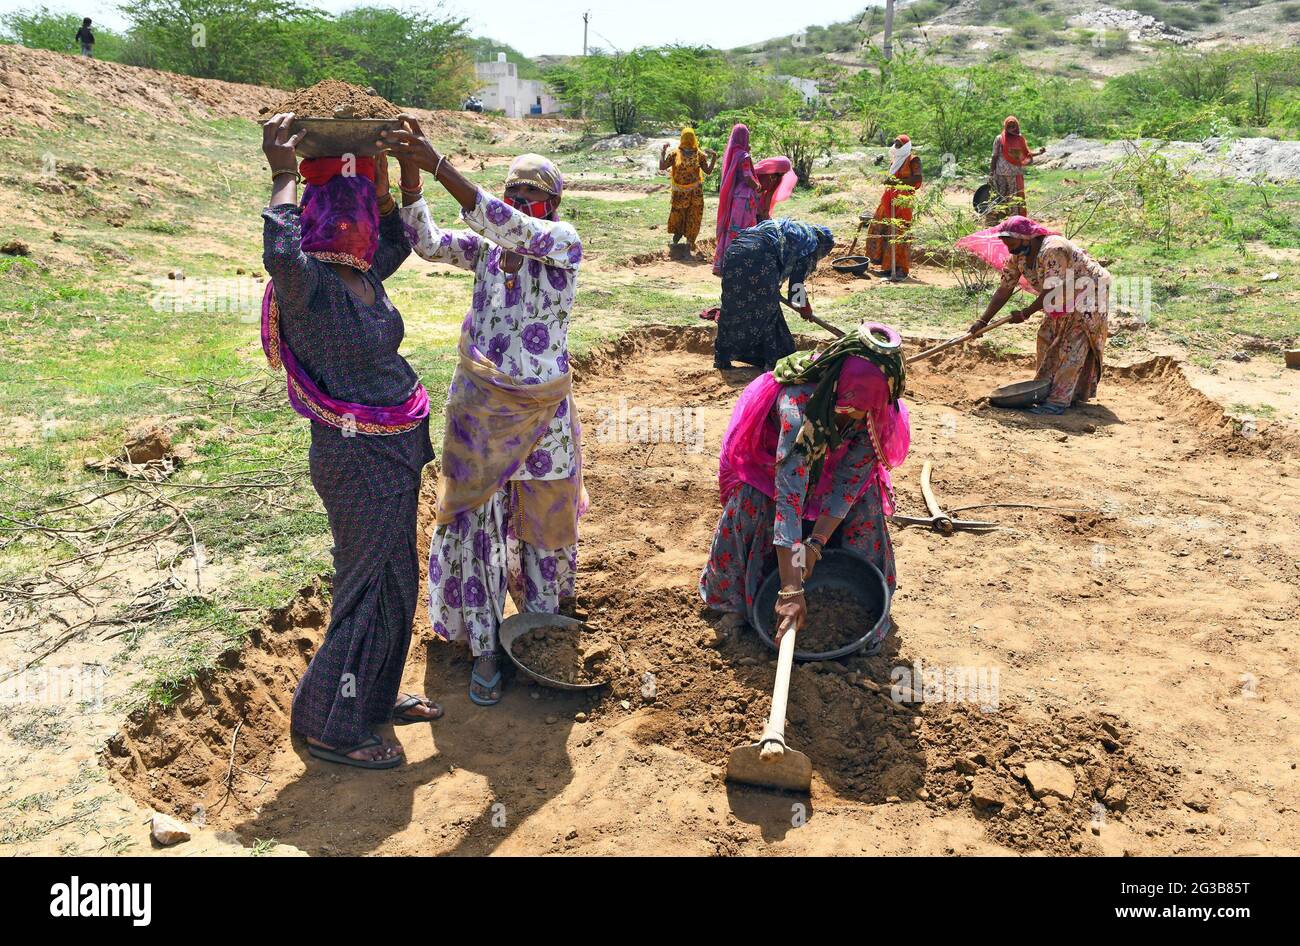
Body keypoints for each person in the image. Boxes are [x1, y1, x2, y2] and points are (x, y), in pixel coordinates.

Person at [379, 117, 585, 707]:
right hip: (481, 407)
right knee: (479, 525)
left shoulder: (562, 244)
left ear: (552, 205)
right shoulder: (488, 254)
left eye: (533, 198)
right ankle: (486, 647)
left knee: (546, 521)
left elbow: (506, 223)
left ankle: (543, 634)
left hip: (544, 412)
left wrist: (441, 162)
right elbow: (427, 242)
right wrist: (413, 177)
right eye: (513, 193)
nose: (521, 205)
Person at [260, 113, 441, 770]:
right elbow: (280, 252)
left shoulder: (362, 275)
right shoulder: (308, 287)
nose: (370, 226)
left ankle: (370, 695)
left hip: (389, 451)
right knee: (368, 580)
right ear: (334, 221)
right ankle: (332, 723)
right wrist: (283, 175)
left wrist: (402, 166)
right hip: (354, 458)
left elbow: (399, 235)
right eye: (360, 212)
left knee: (396, 576)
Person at [700, 325, 910, 649]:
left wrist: (814, 545)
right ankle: (733, 602)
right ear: (842, 389)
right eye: (853, 408)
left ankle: (868, 605)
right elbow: (789, 496)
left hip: (831, 471)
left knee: (865, 504)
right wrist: (791, 588)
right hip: (772, 465)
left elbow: (847, 486)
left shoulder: (877, 415)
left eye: (867, 411)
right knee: (753, 502)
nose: (858, 417)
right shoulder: (798, 407)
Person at [961, 215, 1111, 416]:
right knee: (1047, 337)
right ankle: (1047, 390)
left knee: (1072, 343)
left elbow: (1052, 290)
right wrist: (983, 320)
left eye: (1011, 242)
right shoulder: (1018, 255)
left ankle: (1058, 401)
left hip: (1088, 291)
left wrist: (1026, 313)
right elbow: (1005, 288)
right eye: (1005, 243)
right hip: (1062, 295)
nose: (1008, 247)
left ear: (1027, 238)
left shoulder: (1053, 250)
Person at [714, 218, 834, 371]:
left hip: (735, 250)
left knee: (732, 307)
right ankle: (773, 359)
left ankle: (722, 357)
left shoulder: (796, 232)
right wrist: (805, 308)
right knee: (767, 312)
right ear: (823, 246)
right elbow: (796, 286)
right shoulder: (810, 244)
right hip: (759, 256)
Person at [863, 134, 922, 280]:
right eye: (895, 144)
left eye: (899, 145)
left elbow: (917, 178)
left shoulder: (913, 159)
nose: (896, 147)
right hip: (889, 198)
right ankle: (886, 267)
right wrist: (889, 182)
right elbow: (892, 177)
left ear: (906, 146)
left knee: (900, 232)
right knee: (881, 227)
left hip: (903, 201)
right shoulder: (894, 160)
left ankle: (900, 269)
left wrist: (898, 183)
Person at [659, 127, 716, 251]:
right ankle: (680, 236)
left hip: (691, 193)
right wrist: (714, 158)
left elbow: (662, 166)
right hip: (689, 193)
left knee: (690, 215)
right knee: (686, 215)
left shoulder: (696, 154)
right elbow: (708, 171)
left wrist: (663, 152)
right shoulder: (678, 154)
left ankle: (688, 240)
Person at [988, 116, 1045, 219]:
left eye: (1013, 126)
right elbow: (994, 156)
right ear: (1005, 126)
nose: (1011, 128)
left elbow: (1026, 154)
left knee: (1014, 197)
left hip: (1014, 174)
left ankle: (1013, 220)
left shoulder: (1019, 139)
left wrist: (1039, 153)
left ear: (1017, 126)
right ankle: (1001, 219)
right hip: (1000, 174)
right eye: (1009, 126)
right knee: (1001, 196)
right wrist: (991, 173)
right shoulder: (1000, 139)